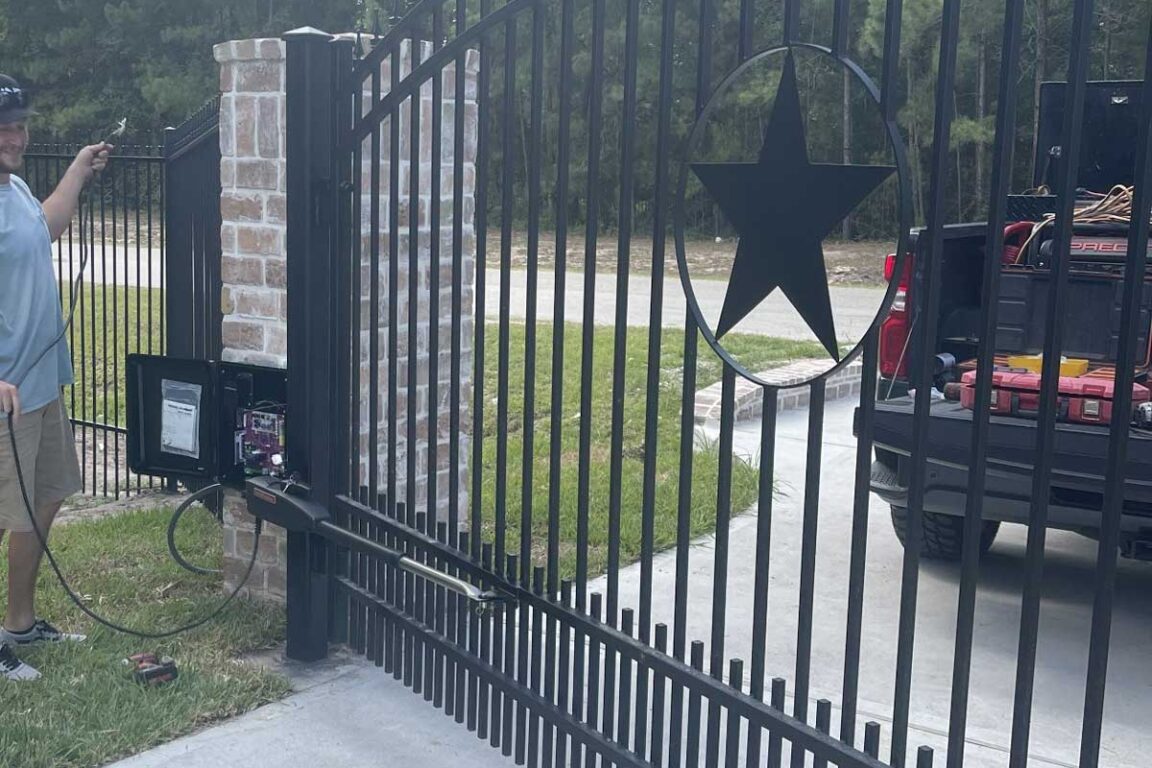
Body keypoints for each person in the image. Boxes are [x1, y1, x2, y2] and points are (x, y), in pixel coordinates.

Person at [0, 74, 111, 681]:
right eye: (4, 127)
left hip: (40, 385)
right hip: (4, 396)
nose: (16, 135)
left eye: (19, 124)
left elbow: (45, 227)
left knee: (44, 499)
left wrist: (77, 169)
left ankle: (18, 622)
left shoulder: (13, 187)